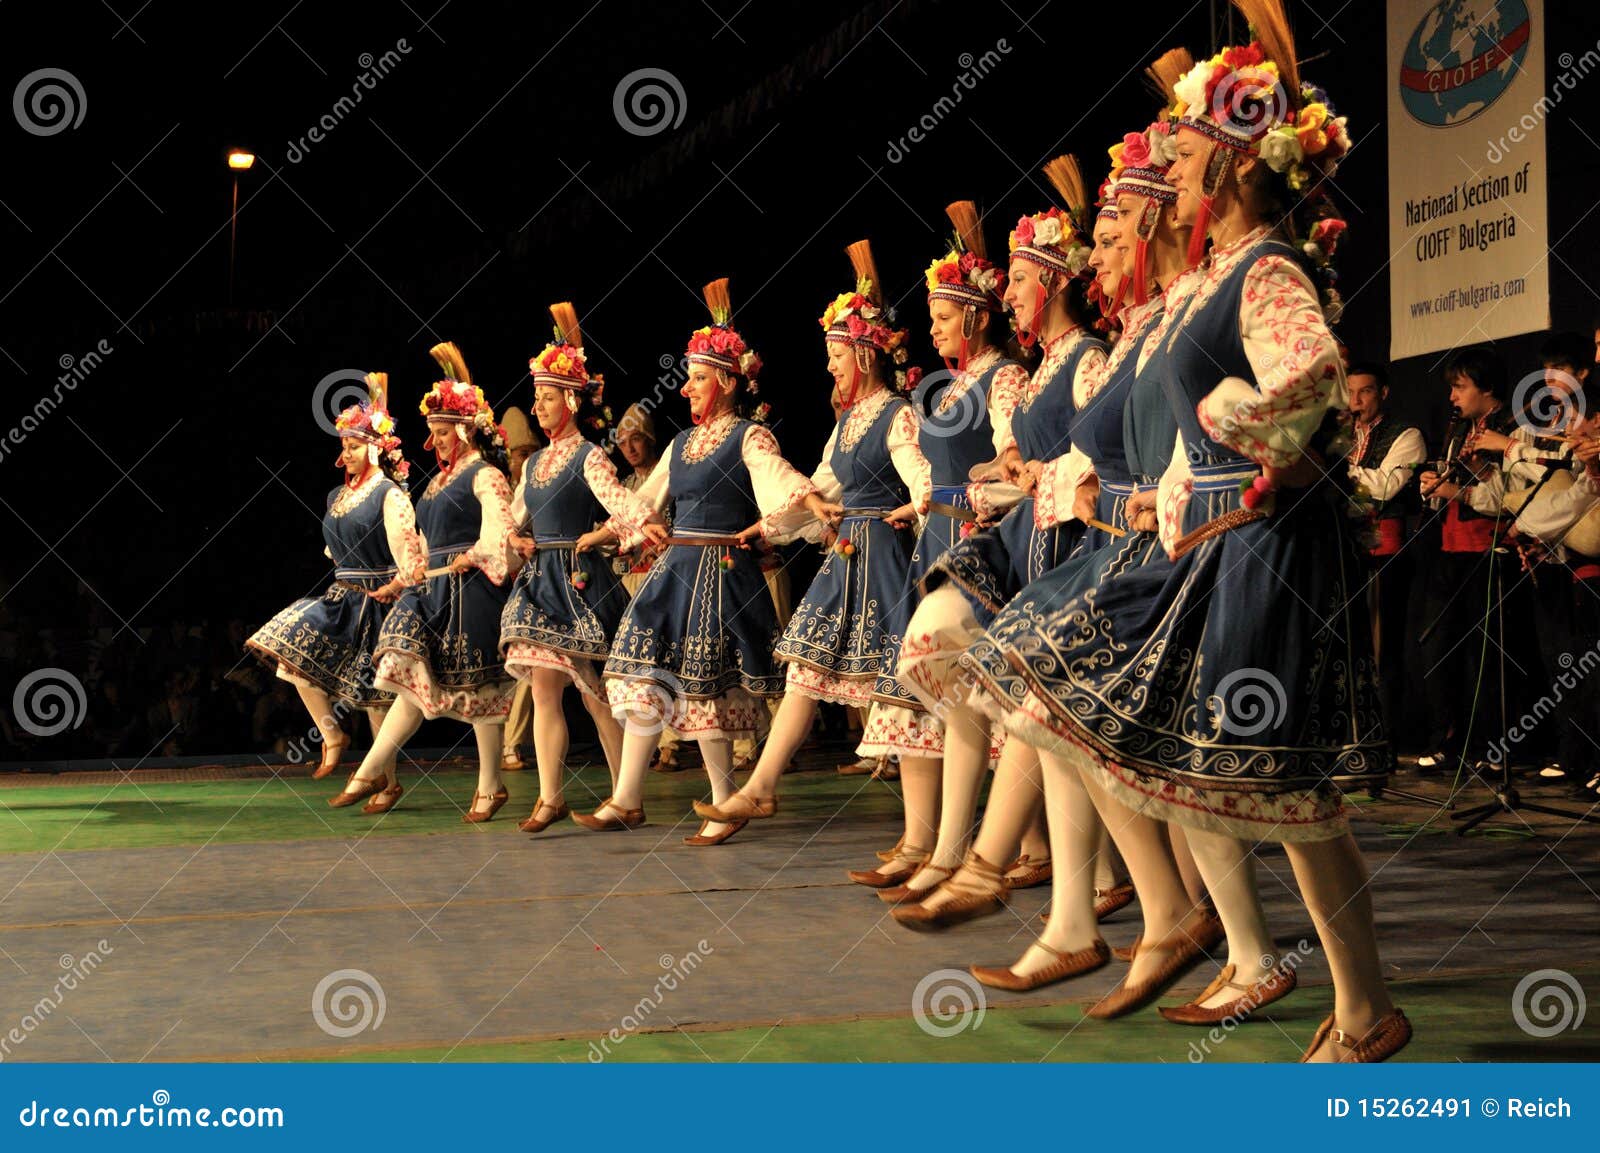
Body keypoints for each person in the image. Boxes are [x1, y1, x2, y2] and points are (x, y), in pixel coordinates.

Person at [983, 1, 1410, 1060]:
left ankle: (1357, 1009)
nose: (1170, 180)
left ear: (1225, 170)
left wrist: (1236, 423)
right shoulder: (1213, 277)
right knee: (1252, 782)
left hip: (1269, 546)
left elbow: (1308, 374)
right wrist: (1159, 491)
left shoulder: (1264, 268)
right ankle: (1320, 988)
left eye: (1180, 159)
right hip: (1217, 540)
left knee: (1293, 794)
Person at [875, 165, 1114, 920]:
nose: (1009, 295)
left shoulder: (1075, 362)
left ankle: (1007, 869)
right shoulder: (1042, 367)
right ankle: (987, 864)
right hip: (1030, 548)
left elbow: (1099, 456)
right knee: (1028, 713)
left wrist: (1006, 479)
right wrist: (1007, 469)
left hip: (1065, 553)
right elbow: (1018, 458)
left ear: (1052, 282)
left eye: (1018, 281)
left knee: (1053, 718)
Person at [691, 239, 930, 839]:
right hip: (847, 558)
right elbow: (821, 489)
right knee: (805, 673)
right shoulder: (846, 423)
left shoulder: (899, 414)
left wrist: (912, 507)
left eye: (836, 356)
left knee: (902, 688)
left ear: (866, 356)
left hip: (884, 562)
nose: (829, 367)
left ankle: (925, 836)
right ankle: (760, 789)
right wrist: (766, 525)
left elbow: (924, 481)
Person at [579, 279, 830, 842]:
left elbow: (778, 478)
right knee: (646, 676)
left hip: (720, 574)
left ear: (723, 381)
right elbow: (644, 501)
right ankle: (626, 797)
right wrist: (609, 523)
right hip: (674, 573)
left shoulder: (750, 436)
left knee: (705, 689)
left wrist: (808, 497)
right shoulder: (681, 444)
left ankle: (723, 802)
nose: (686, 390)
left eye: (696, 380)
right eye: (688, 379)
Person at [849, 211, 1029, 886]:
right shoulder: (951, 384)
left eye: (944, 317)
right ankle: (928, 843)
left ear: (977, 318)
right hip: (938, 542)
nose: (932, 328)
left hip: (982, 546)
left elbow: (1011, 457)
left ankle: (1001, 850)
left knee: (984, 693)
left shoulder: (1004, 378)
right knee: (936, 693)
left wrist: (986, 490)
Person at [331, 343, 519, 819]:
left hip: (472, 590)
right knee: (410, 677)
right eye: (430, 433)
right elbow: (421, 543)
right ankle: (370, 769)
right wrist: (404, 579)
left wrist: (473, 555)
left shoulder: (486, 475)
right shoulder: (435, 483)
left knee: (480, 690)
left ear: (461, 431)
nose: (432, 442)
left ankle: (488, 786)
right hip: (433, 591)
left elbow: (500, 533)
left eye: (440, 432)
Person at [501, 304, 658, 833]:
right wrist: (512, 540)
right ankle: (550, 797)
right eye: (537, 397)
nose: (538, 406)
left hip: (580, 582)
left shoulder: (587, 455)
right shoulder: (537, 464)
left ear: (569, 400)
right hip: (542, 582)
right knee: (545, 687)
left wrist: (606, 533)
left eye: (546, 398)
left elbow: (625, 505)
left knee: (596, 695)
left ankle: (625, 794)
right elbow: (514, 517)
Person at [245, 373, 424, 780]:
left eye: (356, 445)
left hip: (378, 601)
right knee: (289, 658)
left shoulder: (389, 494)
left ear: (375, 449)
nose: (348, 452)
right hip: (341, 597)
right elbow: (335, 551)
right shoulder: (337, 496)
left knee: (376, 701)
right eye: (345, 444)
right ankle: (333, 735)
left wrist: (396, 588)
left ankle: (384, 783)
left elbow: (409, 558)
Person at [1415, 346, 1520, 771]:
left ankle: (1493, 747)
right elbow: (1453, 485)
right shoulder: (1460, 430)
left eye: (1460, 387)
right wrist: (1433, 486)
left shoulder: (1511, 428)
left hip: (1489, 550)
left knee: (1487, 657)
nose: (1453, 397)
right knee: (1439, 649)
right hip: (1450, 548)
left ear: (1487, 387)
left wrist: (1453, 489)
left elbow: (1507, 498)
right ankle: (1448, 740)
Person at [1342, 363, 1425, 747]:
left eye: (1366, 392)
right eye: (1351, 392)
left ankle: (1385, 734)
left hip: (1384, 551)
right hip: (1345, 552)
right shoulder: (1340, 436)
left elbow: (1386, 486)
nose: (1356, 401)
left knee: (1382, 646)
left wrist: (1336, 469)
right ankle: (1350, 730)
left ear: (1384, 394)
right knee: (1347, 645)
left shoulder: (1406, 435)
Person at [500, 405, 539, 773]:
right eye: (520, 455)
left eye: (529, 453)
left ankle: (513, 744)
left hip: (531, 585)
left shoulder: (537, 484)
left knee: (530, 669)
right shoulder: (499, 491)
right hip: (499, 586)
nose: (525, 460)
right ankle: (503, 744)